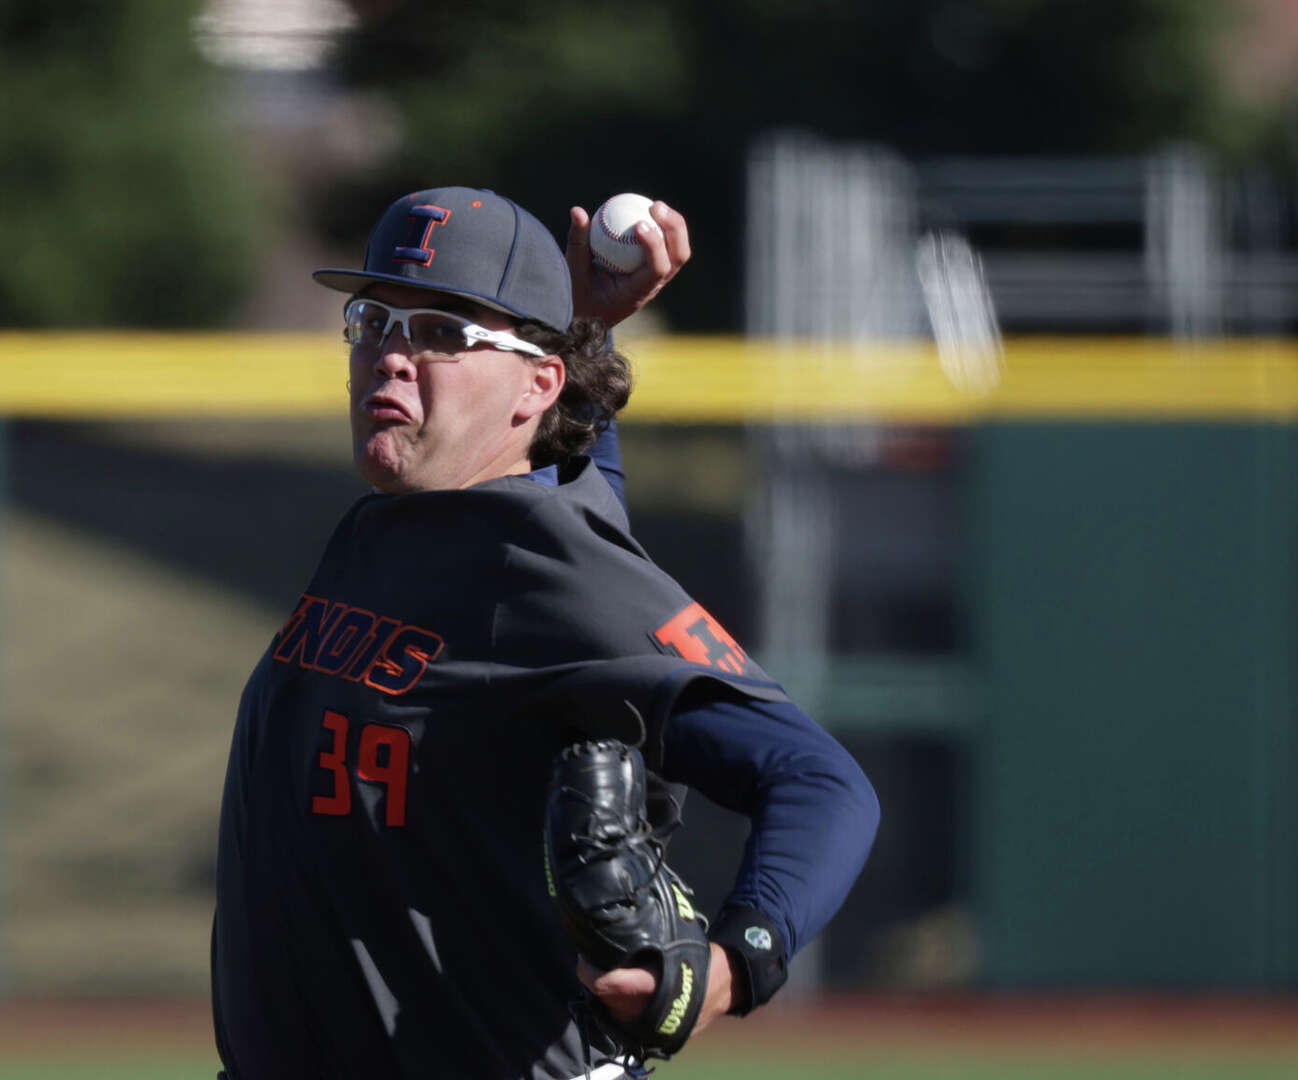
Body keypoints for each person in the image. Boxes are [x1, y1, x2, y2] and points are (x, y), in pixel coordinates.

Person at [211, 186, 879, 1080]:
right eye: (374, 320)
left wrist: (732, 965)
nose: (392, 357)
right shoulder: (406, 522)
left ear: (537, 384)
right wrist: (586, 326)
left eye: (445, 333)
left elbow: (822, 781)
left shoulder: (541, 559)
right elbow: (567, 504)